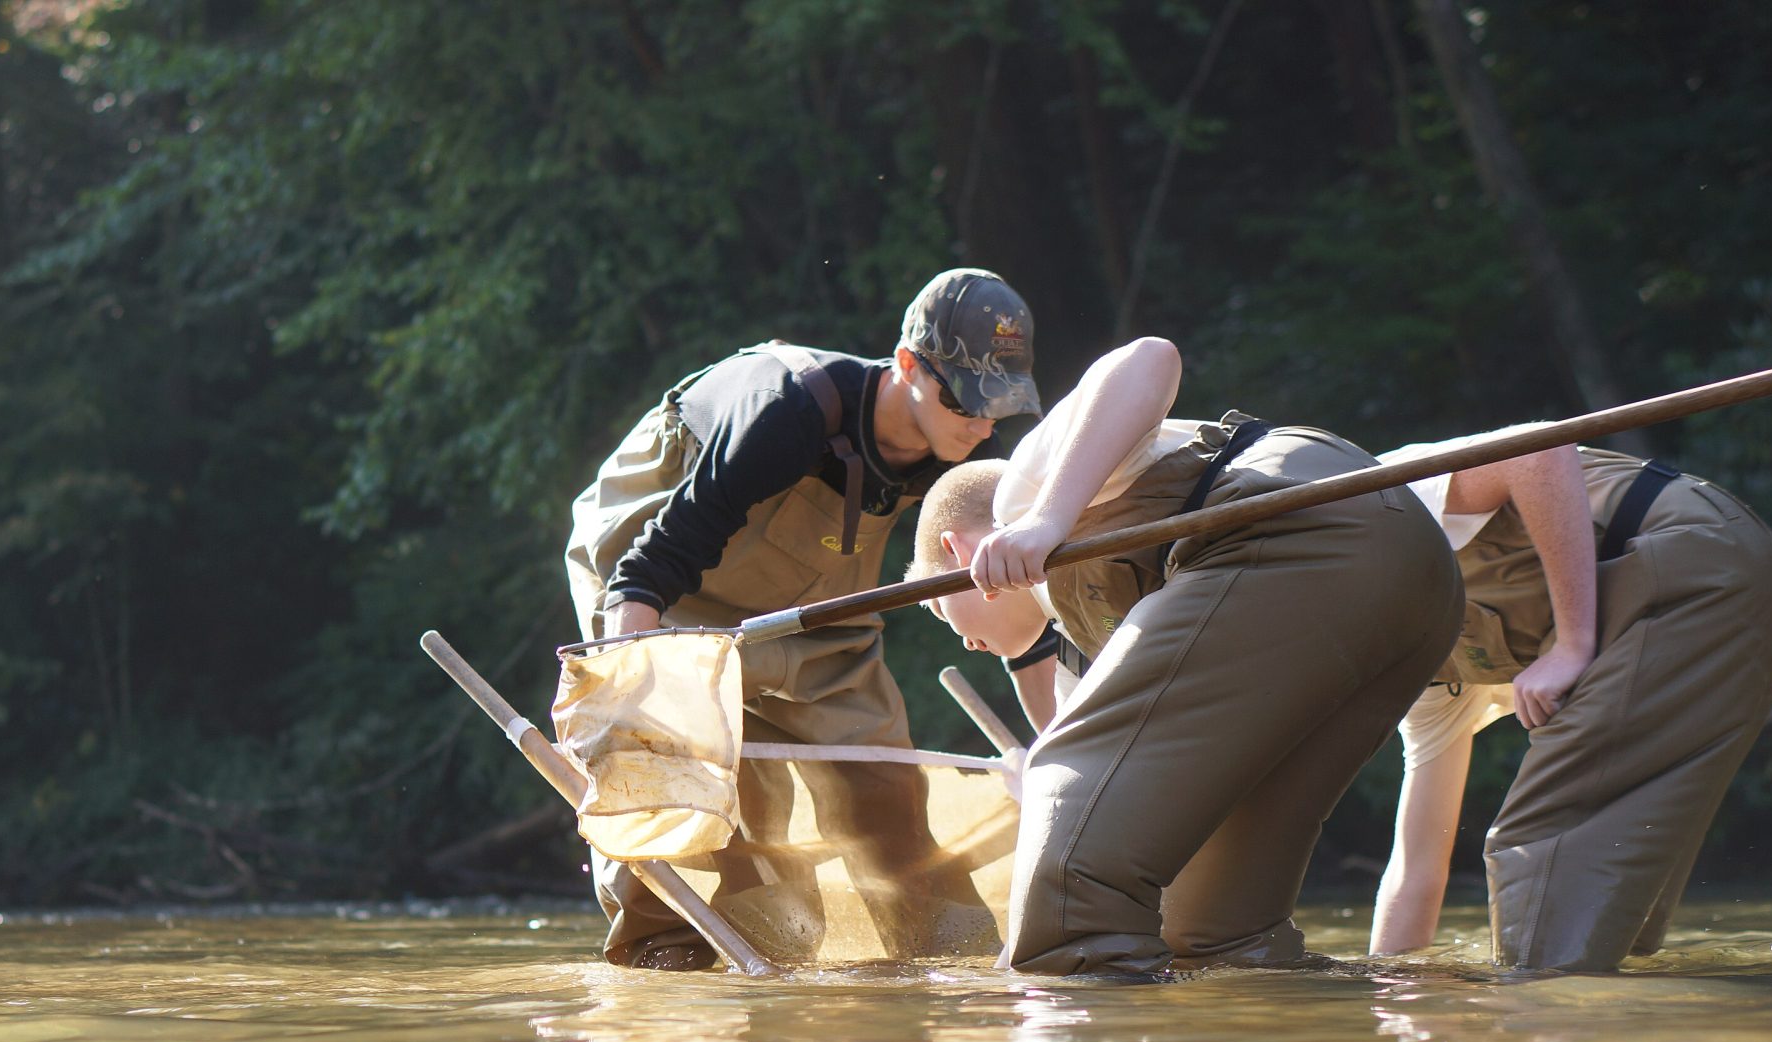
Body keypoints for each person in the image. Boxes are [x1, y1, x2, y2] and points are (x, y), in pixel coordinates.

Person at [907, 336, 1461, 977]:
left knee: (1074, 876)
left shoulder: (1028, 496)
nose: (968, 643)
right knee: (1208, 932)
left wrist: (1049, 519)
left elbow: (1149, 358)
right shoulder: (1089, 637)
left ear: (954, 551)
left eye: (942, 613)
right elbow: (1091, 787)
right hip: (1419, 591)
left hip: (1307, 524)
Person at [564, 267, 1041, 969]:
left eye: (998, 405)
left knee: (884, 787)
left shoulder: (973, 450)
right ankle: (675, 977)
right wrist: (631, 695)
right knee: (703, 799)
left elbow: (1017, 603)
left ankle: (958, 974)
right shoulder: (784, 416)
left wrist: (1055, 746)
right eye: (966, 400)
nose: (982, 422)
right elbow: (645, 571)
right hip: (669, 595)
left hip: (819, 613)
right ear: (908, 366)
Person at [1368, 438, 1772, 970]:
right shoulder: (1420, 673)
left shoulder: (1367, 498)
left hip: (1688, 560)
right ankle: (1599, 1035)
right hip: (1728, 578)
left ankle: (1545, 1034)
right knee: (1608, 905)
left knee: (1540, 852)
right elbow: (1418, 864)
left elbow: (1537, 455)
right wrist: (1392, 996)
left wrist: (1571, 644)